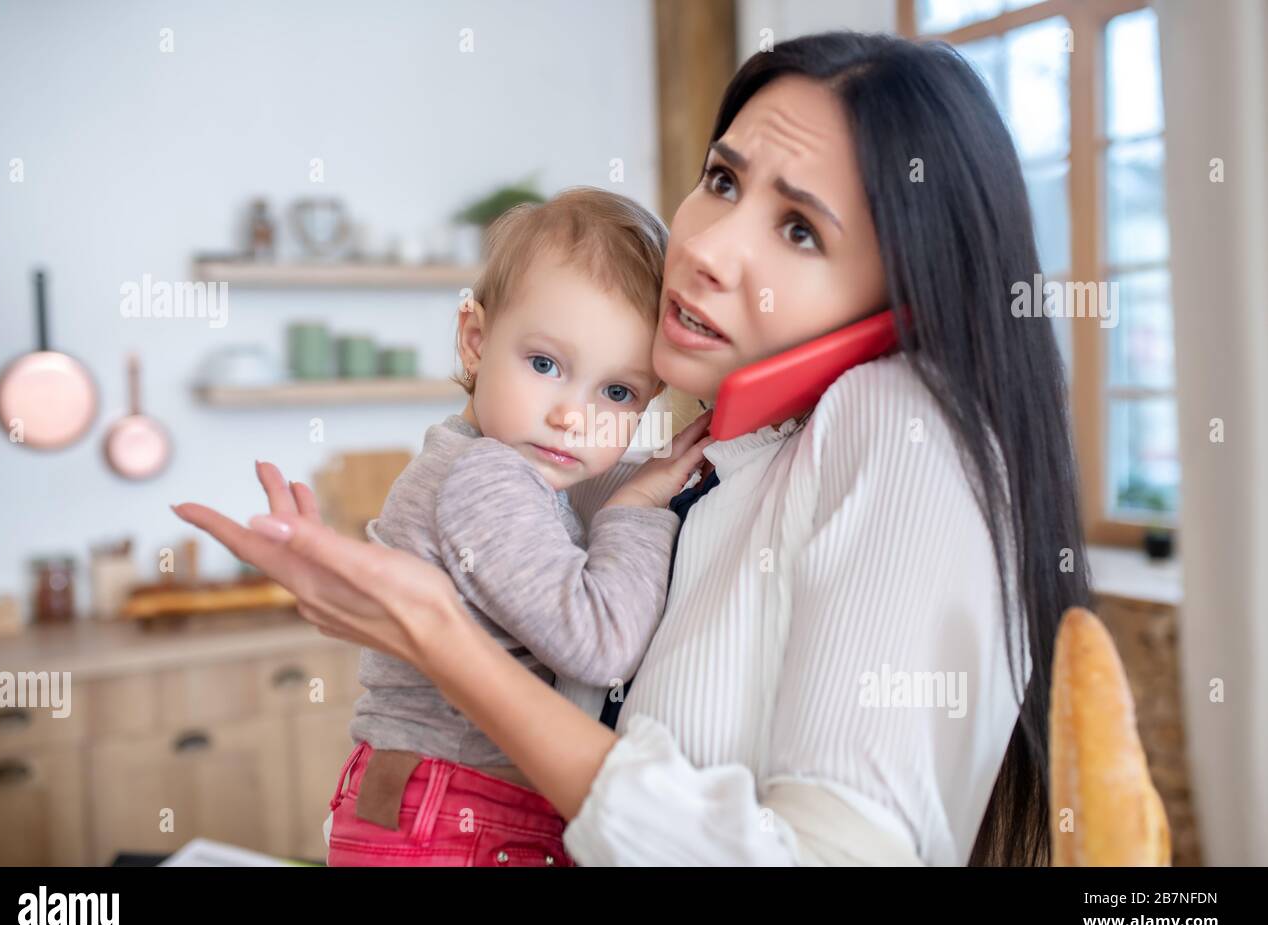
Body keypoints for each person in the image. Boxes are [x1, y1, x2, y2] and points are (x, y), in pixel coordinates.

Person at [176, 31, 1090, 866]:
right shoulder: (747, 446)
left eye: (800, 229)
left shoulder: (897, 423)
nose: (706, 249)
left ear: (907, 293)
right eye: (723, 181)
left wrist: (434, 634)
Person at [321, 187, 711, 866]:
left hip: (425, 801)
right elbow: (599, 643)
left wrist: (653, 474)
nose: (572, 416)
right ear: (476, 342)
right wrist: (636, 513)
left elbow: (585, 479)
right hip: (459, 813)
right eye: (545, 365)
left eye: (616, 393)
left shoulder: (489, 458)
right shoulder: (487, 480)